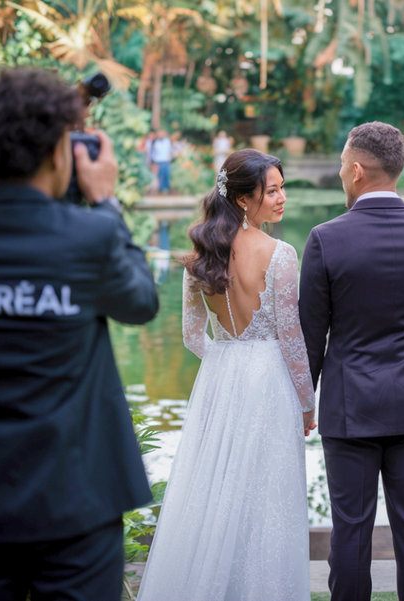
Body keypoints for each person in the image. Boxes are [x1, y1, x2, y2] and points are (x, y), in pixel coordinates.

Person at [0, 68, 160, 600]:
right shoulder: (91, 235)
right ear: (60, 151)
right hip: (78, 495)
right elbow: (140, 302)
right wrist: (106, 202)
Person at [136, 149, 316, 601]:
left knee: (215, 487)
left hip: (221, 375)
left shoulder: (201, 251)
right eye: (271, 190)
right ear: (242, 199)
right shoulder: (280, 253)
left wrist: (226, 365)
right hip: (271, 378)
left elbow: (193, 336)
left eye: (281, 187)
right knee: (266, 492)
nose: (281, 197)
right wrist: (308, 402)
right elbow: (292, 338)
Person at [299, 121, 404, 601]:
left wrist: (305, 401)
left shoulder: (325, 238)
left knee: (350, 531)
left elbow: (311, 338)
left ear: (355, 170)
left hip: (349, 410)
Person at [151, 129, 172, 193]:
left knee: (166, 175)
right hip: (159, 161)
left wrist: (170, 157)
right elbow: (154, 152)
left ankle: (166, 188)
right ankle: (161, 188)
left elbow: (169, 150)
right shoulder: (156, 142)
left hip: (166, 160)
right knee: (160, 175)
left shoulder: (167, 141)